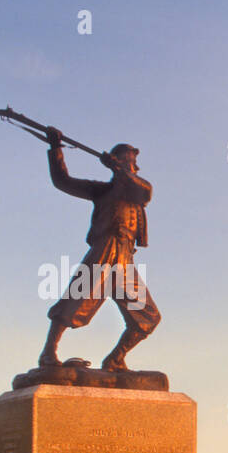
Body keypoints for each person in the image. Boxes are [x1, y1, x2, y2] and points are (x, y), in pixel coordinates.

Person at [38, 126, 161, 371]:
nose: (133, 167)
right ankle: (48, 353)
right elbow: (63, 182)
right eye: (128, 161)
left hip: (125, 257)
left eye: (132, 163)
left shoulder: (138, 190)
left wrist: (119, 169)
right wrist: (56, 148)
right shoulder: (102, 191)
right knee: (77, 297)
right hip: (106, 248)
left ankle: (115, 359)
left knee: (148, 316)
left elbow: (144, 191)